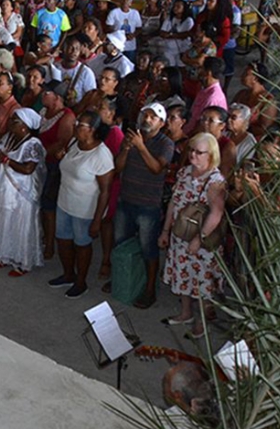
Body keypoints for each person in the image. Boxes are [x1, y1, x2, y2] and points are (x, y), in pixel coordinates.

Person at [159, 132, 227, 341]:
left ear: (211, 155)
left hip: (201, 243)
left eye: (199, 152)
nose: (193, 155)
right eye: (191, 150)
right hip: (180, 236)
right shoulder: (185, 173)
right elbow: (173, 202)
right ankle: (185, 313)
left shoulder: (215, 181)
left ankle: (201, 323)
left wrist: (200, 239)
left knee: (202, 284)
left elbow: (217, 213)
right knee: (182, 277)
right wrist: (165, 230)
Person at [109, 102, 176, 309]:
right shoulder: (132, 138)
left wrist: (140, 147)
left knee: (149, 249)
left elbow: (157, 168)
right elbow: (118, 167)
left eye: (152, 117)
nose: (147, 119)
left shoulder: (166, 143)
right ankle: (123, 277)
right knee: (121, 243)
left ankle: (149, 289)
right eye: (144, 115)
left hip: (148, 205)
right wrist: (127, 149)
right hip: (126, 200)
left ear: (162, 123)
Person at [50, 110, 114, 298]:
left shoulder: (102, 155)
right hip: (64, 202)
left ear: (92, 130)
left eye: (81, 125)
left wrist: (97, 221)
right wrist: (62, 157)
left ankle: (81, 282)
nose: (76, 126)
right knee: (62, 239)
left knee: (82, 245)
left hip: (85, 210)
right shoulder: (73, 143)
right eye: (77, 123)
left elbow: (105, 192)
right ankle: (68, 274)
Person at [0, 108, 46, 276]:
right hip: (2, 189)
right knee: (4, 221)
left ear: (25, 126)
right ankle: (4, 255)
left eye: (14, 121)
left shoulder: (33, 144)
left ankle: (22, 262)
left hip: (20, 192)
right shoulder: (9, 137)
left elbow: (29, 168)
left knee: (19, 223)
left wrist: (7, 160)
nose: (10, 123)